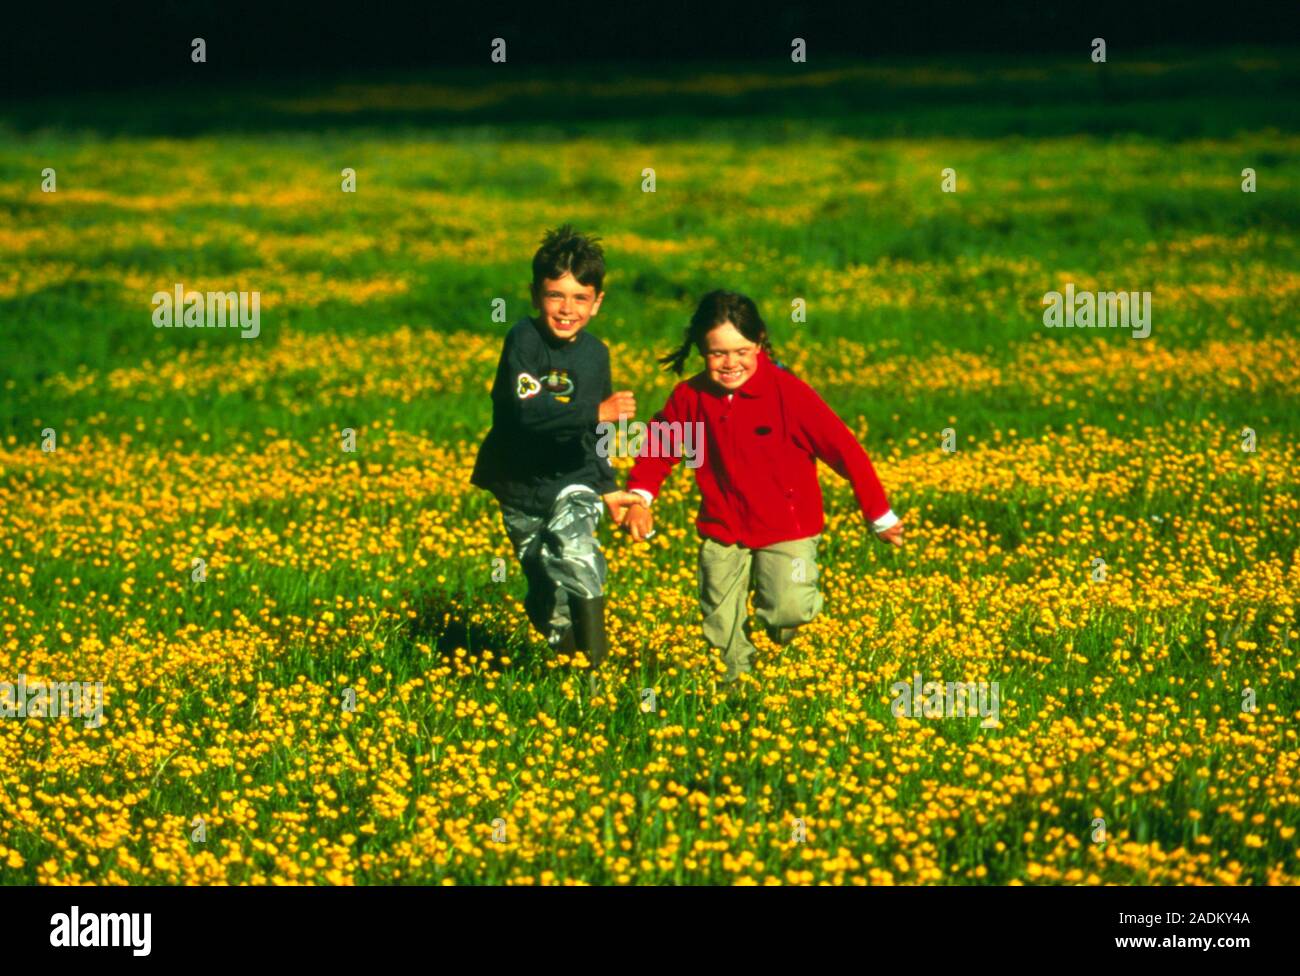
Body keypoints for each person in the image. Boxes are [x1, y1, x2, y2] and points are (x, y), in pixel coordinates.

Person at [608, 290, 904, 683]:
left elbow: (846, 452)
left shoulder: (788, 393)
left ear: (760, 342)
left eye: (742, 351)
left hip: (788, 528)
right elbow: (660, 450)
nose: (731, 363)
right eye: (718, 354)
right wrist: (641, 498)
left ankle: (784, 638)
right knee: (719, 623)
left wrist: (879, 515)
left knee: (788, 608)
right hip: (723, 527)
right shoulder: (690, 397)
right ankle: (738, 690)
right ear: (701, 350)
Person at [470, 225, 637, 667]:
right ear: (534, 295)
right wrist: (594, 413)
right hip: (521, 484)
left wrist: (609, 487)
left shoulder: (596, 355)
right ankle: (565, 657)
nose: (567, 309)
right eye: (555, 296)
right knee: (548, 595)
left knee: (579, 555)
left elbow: (597, 437)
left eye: (580, 298)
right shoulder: (523, 342)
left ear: (597, 302)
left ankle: (597, 677)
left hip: (574, 478)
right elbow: (528, 415)